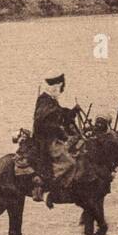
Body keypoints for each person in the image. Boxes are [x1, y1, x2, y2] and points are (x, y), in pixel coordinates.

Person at [27, 72, 79, 202]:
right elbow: (42, 123)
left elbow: (61, 114)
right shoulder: (45, 101)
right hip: (45, 141)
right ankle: (52, 191)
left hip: (52, 138)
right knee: (70, 162)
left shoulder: (51, 101)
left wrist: (73, 111)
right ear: (56, 87)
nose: (61, 92)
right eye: (60, 89)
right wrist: (59, 130)